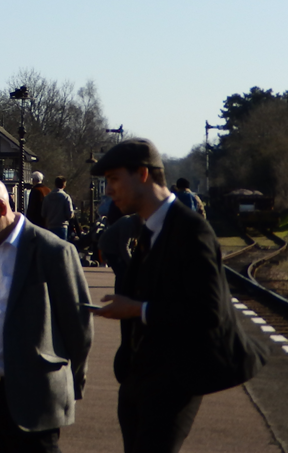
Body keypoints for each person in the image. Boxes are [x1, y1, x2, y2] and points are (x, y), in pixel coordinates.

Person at [93, 139, 266, 453]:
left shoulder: (192, 231)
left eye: (114, 179)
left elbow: (208, 312)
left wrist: (137, 310)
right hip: (139, 379)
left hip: (175, 380)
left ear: (143, 174)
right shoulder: (150, 229)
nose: (108, 190)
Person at [0, 176, 93, 453]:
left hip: (34, 399)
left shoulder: (53, 251)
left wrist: (67, 384)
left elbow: (78, 330)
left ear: (0, 207)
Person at [41, 176, 75, 241]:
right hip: (62, 226)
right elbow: (69, 214)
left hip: (50, 226)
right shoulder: (66, 197)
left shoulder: (47, 197)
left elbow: (43, 214)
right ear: (64, 185)